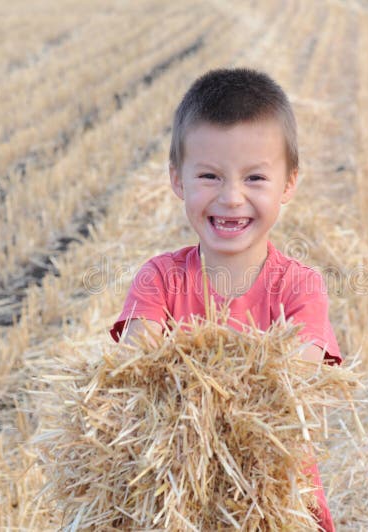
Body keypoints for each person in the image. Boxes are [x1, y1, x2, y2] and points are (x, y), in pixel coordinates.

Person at [109, 67, 340, 531]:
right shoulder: (159, 279)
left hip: (273, 499)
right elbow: (135, 365)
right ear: (177, 179)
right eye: (210, 176)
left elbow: (293, 377)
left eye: (255, 178)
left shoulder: (300, 287)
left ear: (289, 183)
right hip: (174, 499)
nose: (231, 198)